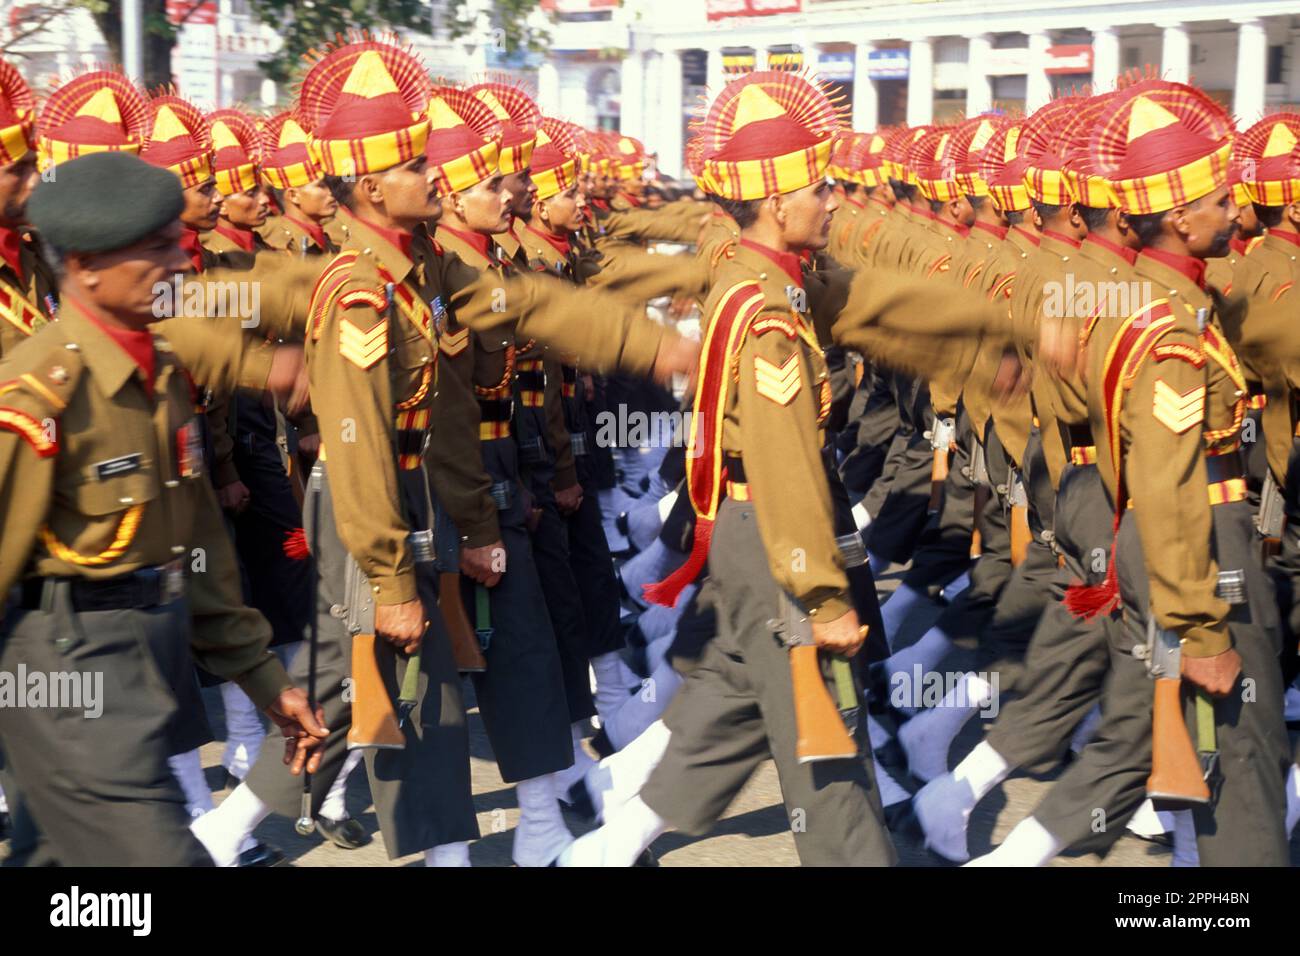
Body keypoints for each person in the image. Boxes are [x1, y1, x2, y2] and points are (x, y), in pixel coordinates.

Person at [0, 151, 326, 866]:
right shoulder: (38, 397)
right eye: (152, 249)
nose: (180, 262)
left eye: (174, 243)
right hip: (63, 672)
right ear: (85, 266)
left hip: (147, 655)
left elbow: (197, 552)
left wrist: (267, 684)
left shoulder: (159, 372)